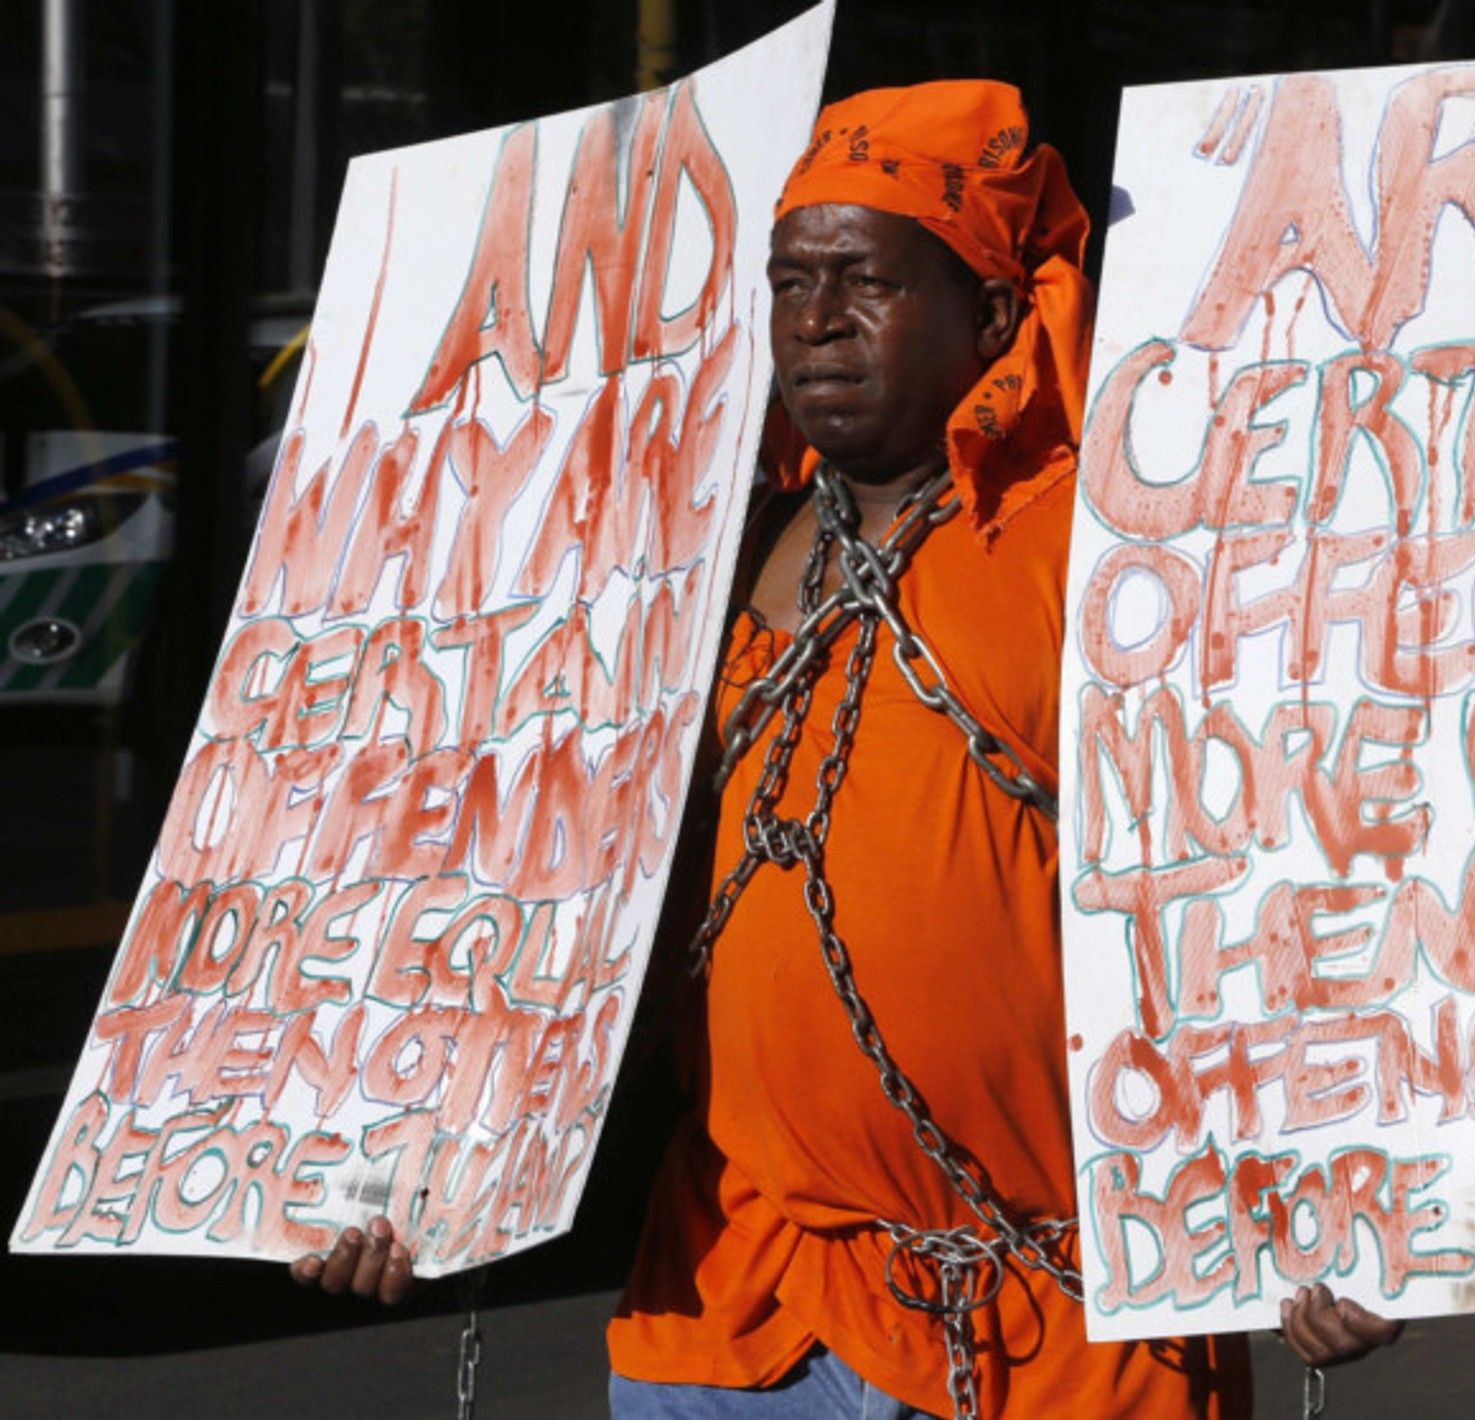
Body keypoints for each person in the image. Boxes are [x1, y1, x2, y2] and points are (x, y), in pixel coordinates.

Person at [296, 80, 1401, 1418]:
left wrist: (1334, 1201)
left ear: (993, 314)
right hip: (728, 1315)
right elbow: (522, 882)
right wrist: (403, 1163)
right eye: (789, 281)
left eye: (863, 281)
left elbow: (1282, 886)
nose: (813, 318)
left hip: (1063, 1347)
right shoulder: (688, 557)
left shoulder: (1124, 548)